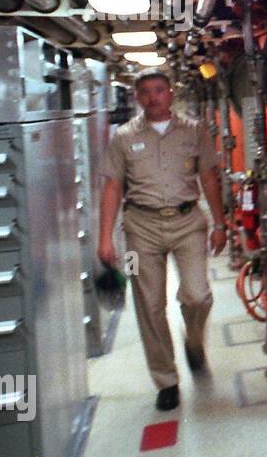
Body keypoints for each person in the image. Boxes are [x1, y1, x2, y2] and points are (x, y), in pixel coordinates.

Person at [96, 68, 227, 410]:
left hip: (187, 223)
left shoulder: (194, 131)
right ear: (138, 98)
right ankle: (166, 380)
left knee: (198, 295)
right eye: (146, 92)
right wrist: (105, 237)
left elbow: (210, 177)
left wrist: (220, 223)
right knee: (150, 305)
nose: (153, 97)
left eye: (159, 90)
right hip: (141, 227)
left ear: (171, 93)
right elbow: (112, 187)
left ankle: (194, 343)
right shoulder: (123, 137)